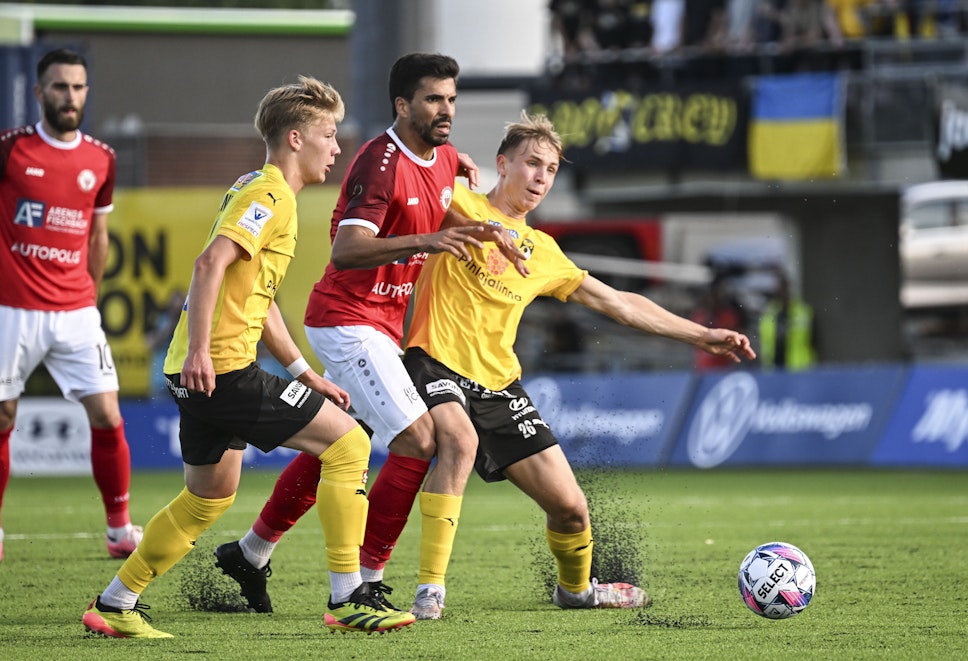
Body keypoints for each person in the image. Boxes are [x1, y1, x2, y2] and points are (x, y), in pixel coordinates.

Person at [216, 111, 756, 620]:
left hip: (499, 386)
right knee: (452, 440)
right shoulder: (458, 203)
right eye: (531, 163)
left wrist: (702, 334)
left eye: (550, 169)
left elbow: (619, 303)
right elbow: (411, 172)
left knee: (570, 510)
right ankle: (424, 590)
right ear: (503, 163)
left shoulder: (543, 251)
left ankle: (576, 592)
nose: (540, 177)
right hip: (428, 362)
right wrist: (444, 154)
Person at [81, 75, 416, 639]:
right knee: (349, 443)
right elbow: (209, 264)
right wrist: (203, 351)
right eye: (328, 134)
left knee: (207, 498)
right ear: (294, 138)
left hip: (201, 370)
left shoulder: (260, 189)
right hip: (223, 369)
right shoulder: (270, 196)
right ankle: (349, 596)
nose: (336, 148)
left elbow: (260, 301)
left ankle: (115, 603)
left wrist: (304, 372)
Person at [212, 52, 520, 620]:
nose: (446, 109)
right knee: (418, 439)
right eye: (433, 99)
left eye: (451, 99)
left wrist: (484, 228)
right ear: (402, 105)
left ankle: (251, 552)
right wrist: (427, 241)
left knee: (339, 438)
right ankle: (365, 581)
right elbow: (347, 250)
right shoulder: (380, 163)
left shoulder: (444, 156)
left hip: (378, 324)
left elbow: (437, 199)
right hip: (347, 319)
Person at [0, 48, 142, 563]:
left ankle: (119, 529)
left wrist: (90, 298)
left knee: (107, 413)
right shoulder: (11, 149)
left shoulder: (102, 158)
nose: (70, 96)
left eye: (78, 87)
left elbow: (98, 236)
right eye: (60, 87)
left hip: (77, 311)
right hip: (12, 308)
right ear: (40, 93)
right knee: (3, 416)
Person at [758, 266, 816, 370]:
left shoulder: (803, 312)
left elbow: (815, 341)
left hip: (799, 368)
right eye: (779, 289)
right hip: (773, 368)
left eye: (784, 287)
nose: (782, 292)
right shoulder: (769, 314)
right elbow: (765, 343)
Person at [690, 270, 749, 370]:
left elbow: (735, 338)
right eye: (715, 293)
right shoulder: (701, 314)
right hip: (703, 368)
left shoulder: (728, 315)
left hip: (723, 369)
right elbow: (696, 335)